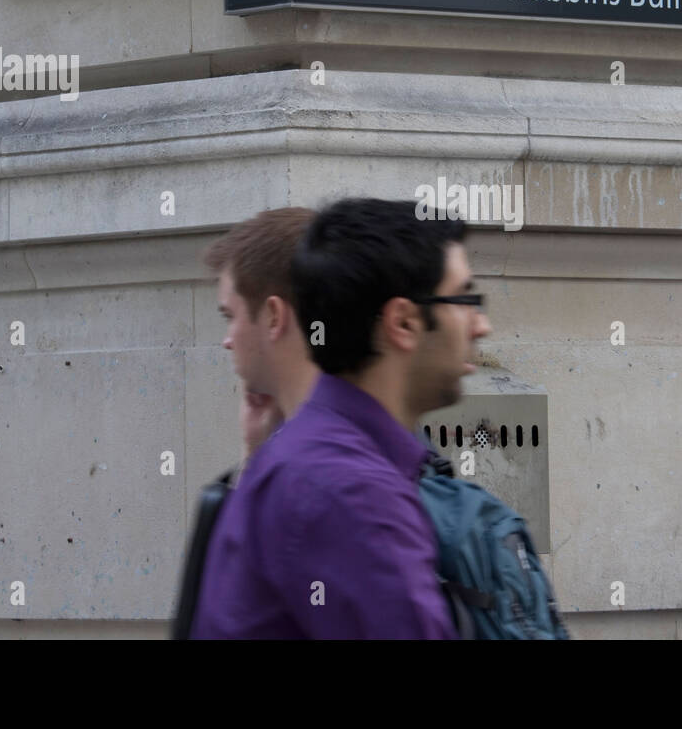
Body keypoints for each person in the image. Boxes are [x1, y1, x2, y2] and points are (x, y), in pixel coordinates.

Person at [191, 197, 491, 638]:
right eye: (464, 298)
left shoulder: (321, 464)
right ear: (403, 322)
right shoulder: (352, 492)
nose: (480, 325)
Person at [202, 207, 319, 464]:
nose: (227, 342)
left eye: (230, 316)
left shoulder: (316, 468)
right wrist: (256, 446)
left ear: (273, 317)